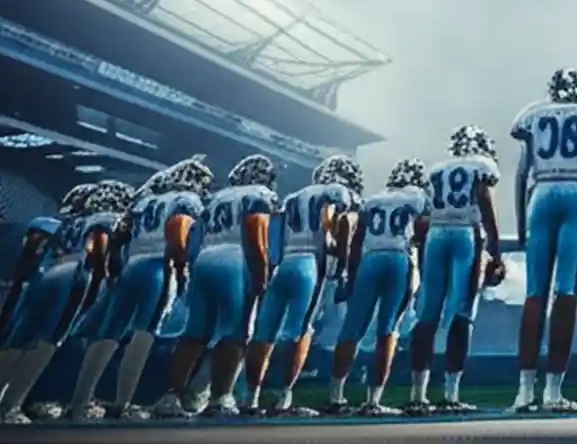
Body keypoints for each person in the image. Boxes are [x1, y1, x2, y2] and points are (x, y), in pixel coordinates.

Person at [67, 161, 211, 421]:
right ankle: (124, 403)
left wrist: (113, 269)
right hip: (160, 266)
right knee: (145, 334)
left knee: (108, 333)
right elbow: (177, 226)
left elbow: (118, 238)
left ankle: (80, 401)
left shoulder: (143, 202)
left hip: (131, 265)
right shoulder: (186, 199)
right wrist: (180, 265)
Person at [509, 68, 577, 413]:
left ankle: (524, 391)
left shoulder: (534, 116)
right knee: (566, 290)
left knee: (534, 293)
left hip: (541, 194)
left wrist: (522, 224)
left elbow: (522, 174)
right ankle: (553, 390)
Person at [154, 154, 279, 418]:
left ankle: (172, 395)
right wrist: (261, 273)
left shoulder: (215, 197)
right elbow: (256, 235)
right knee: (235, 332)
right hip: (236, 258)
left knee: (194, 332)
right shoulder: (259, 194)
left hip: (205, 258)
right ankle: (220, 397)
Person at [244, 154, 363, 416]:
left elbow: (276, 234)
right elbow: (336, 219)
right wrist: (338, 254)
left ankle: (251, 399)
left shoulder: (293, 197)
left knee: (265, 332)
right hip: (311, 262)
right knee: (301, 330)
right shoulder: (337, 192)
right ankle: (284, 397)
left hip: (285, 261)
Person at [0, 181, 125, 424]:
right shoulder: (105, 221)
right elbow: (96, 252)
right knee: (47, 343)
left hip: (43, 276)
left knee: (18, 341)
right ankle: (11, 403)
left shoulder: (58, 223)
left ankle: (10, 401)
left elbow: (29, 255)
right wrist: (102, 280)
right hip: (75, 276)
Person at [407, 127, 506, 414]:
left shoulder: (439, 170)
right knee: (464, 312)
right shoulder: (481, 167)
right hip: (465, 233)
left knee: (428, 313)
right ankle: (451, 394)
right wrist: (496, 253)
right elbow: (485, 203)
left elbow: (422, 219)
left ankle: (418, 394)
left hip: (436, 234)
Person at [327, 158, 431, 416]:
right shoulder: (418, 196)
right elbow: (423, 229)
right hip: (398, 258)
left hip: (370, 260)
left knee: (352, 328)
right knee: (388, 330)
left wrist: (350, 276)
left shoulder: (372, 200)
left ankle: (335, 396)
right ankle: (373, 400)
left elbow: (357, 240)